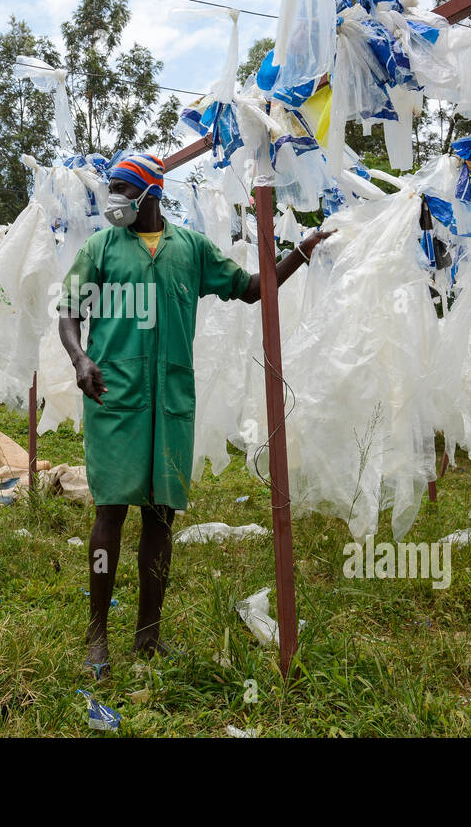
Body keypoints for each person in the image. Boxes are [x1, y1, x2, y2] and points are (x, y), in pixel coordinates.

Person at [57, 152, 333, 673]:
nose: (113, 199)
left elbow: (253, 290)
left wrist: (301, 251)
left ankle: (147, 635)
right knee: (109, 513)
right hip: (113, 396)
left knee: (161, 515)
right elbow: (70, 311)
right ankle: (97, 637)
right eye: (111, 188)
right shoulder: (100, 248)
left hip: (171, 400)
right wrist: (80, 357)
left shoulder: (190, 249)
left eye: (122, 188)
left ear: (151, 193)